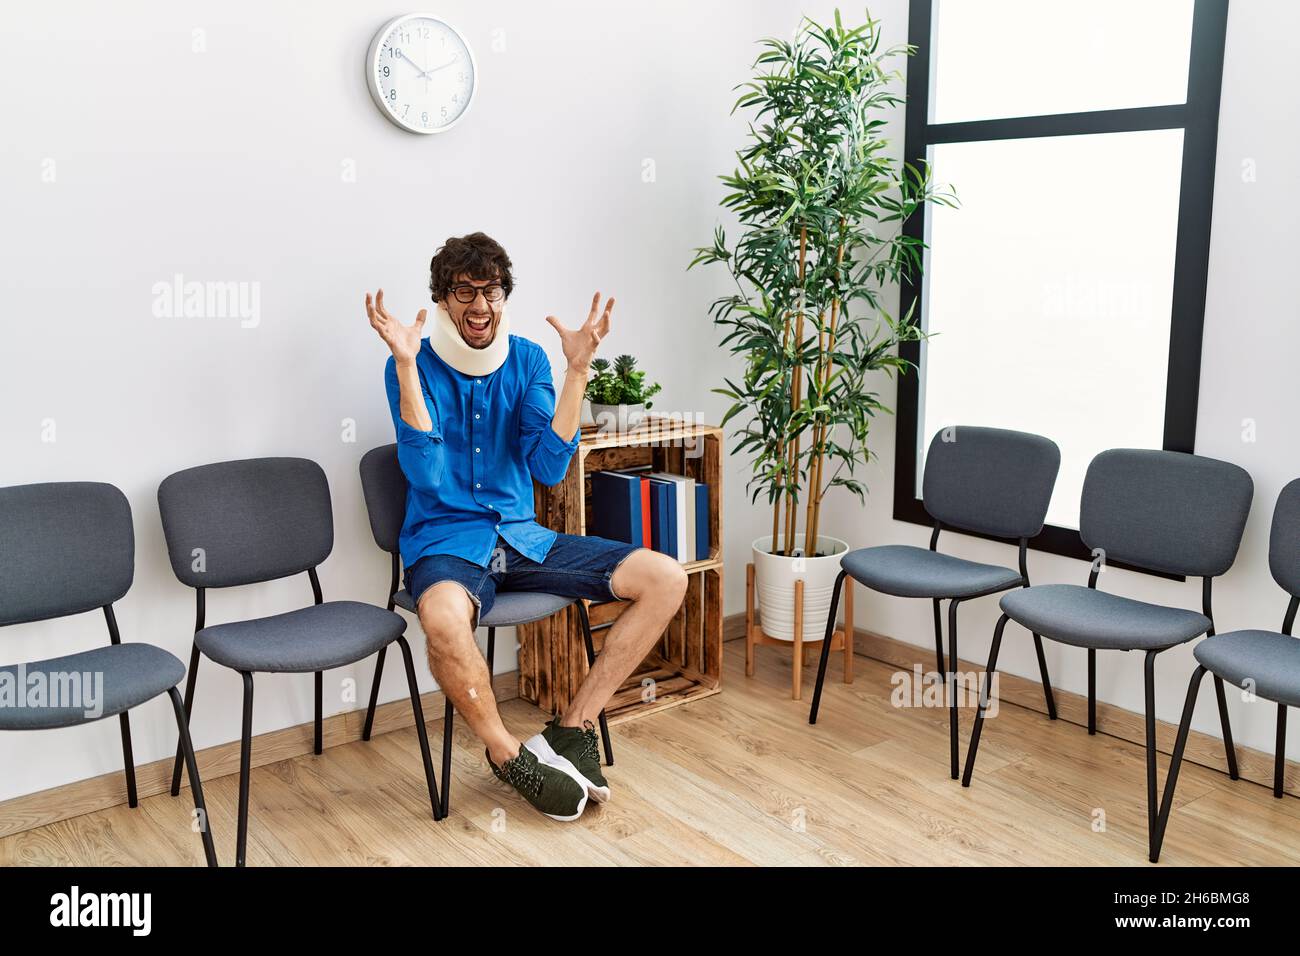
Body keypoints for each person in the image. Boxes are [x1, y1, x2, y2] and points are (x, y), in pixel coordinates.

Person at [364, 232, 687, 821]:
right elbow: (427, 475)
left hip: (521, 540)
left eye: (490, 291)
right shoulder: (409, 365)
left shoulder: (530, 359)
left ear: (503, 297)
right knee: (440, 616)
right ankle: (507, 753)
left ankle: (573, 726)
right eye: (464, 291)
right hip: (447, 543)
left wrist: (577, 371)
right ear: (442, 300)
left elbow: (547, 465)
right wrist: (409, 370)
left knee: (666, 577)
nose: (479, 305)